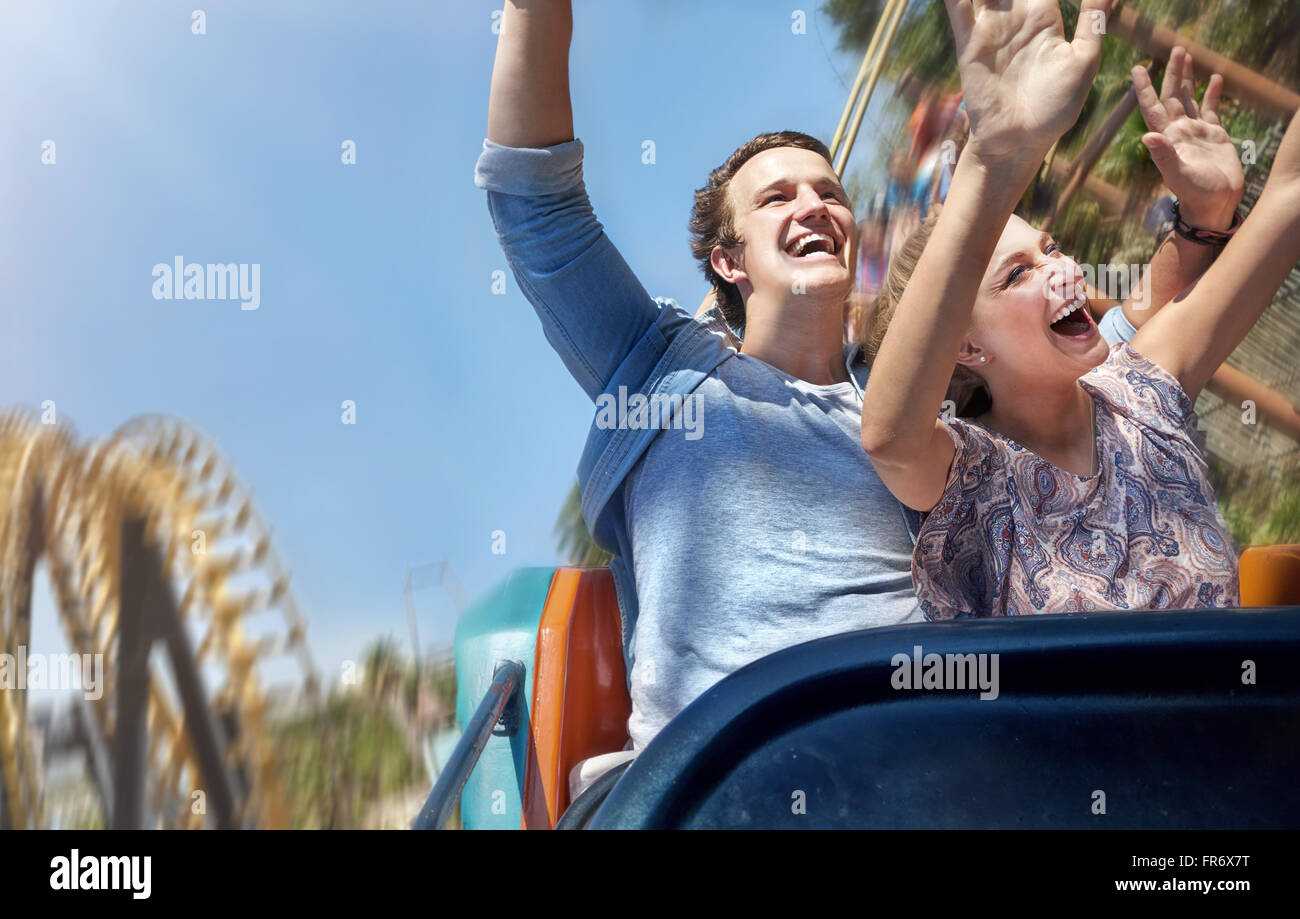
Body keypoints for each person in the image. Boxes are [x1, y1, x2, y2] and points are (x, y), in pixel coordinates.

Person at [474, 0, 1217, 754]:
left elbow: (1101, 360)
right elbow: (537, 206)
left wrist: (1199, 227)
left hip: (911, 759)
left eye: (830, 192)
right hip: (723, 772)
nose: (815, 206)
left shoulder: (918, 406)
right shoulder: (662, 369)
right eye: (778, 198)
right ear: (729, 262)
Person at [860, 0, 1300, 619]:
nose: (1063, 270)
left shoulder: (1142, 388)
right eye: (1018, 274)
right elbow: (888, 438)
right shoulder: (973, 481)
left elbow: (1289, 198)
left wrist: (1216, 203)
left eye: (1052, 249)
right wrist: (994, 158)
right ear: (965, 347)